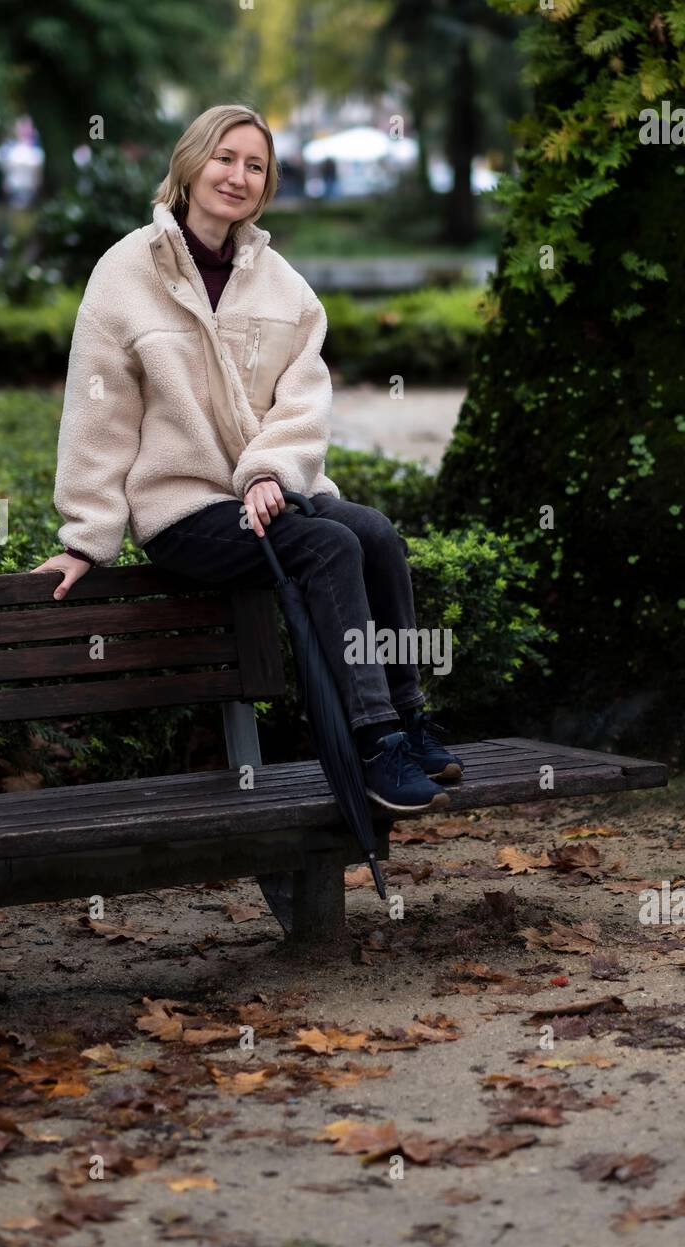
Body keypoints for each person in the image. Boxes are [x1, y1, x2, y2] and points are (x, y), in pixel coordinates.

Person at [32, 103, 464, 813]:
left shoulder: (282, 282)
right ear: (191, 163)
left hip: (273, 489)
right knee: (325, 545)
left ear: (266, 187)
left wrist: (269, 471)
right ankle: (375, 740)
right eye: (225, 158)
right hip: (187, 509)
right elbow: (98, 411)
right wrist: (87, 536)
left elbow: (305, 395)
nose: (237, 176)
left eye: (255, 166)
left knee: (376, 533)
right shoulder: (124, 273)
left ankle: (410, 716)